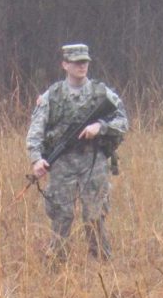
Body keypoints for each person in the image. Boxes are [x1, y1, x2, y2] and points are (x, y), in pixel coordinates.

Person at [25, 43, 129, 261]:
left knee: (94, 214)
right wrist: (37, 159)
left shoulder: (102, 94)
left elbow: (123, 121)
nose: (82, 66)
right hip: (62, 163)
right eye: (76, 62)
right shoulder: (52, 96)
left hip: (93, 161)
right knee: (61, 215)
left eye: (85, 62)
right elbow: (36, 131)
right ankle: (57, 263)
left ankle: (101, 262)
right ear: (65, 65)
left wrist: (100, 127)